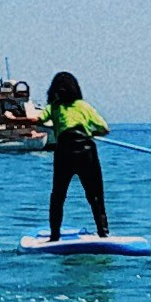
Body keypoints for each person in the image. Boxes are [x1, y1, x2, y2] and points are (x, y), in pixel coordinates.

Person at [45, 72, 108, 238]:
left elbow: (37, 119)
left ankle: (54, 235)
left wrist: (13, 119)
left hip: (64, 152)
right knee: (94, 194)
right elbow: (104, 129)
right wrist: (91, 133)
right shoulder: (84, 106)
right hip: (86, 151)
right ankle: (103, 231)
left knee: (58, 195)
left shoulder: (54, 107)